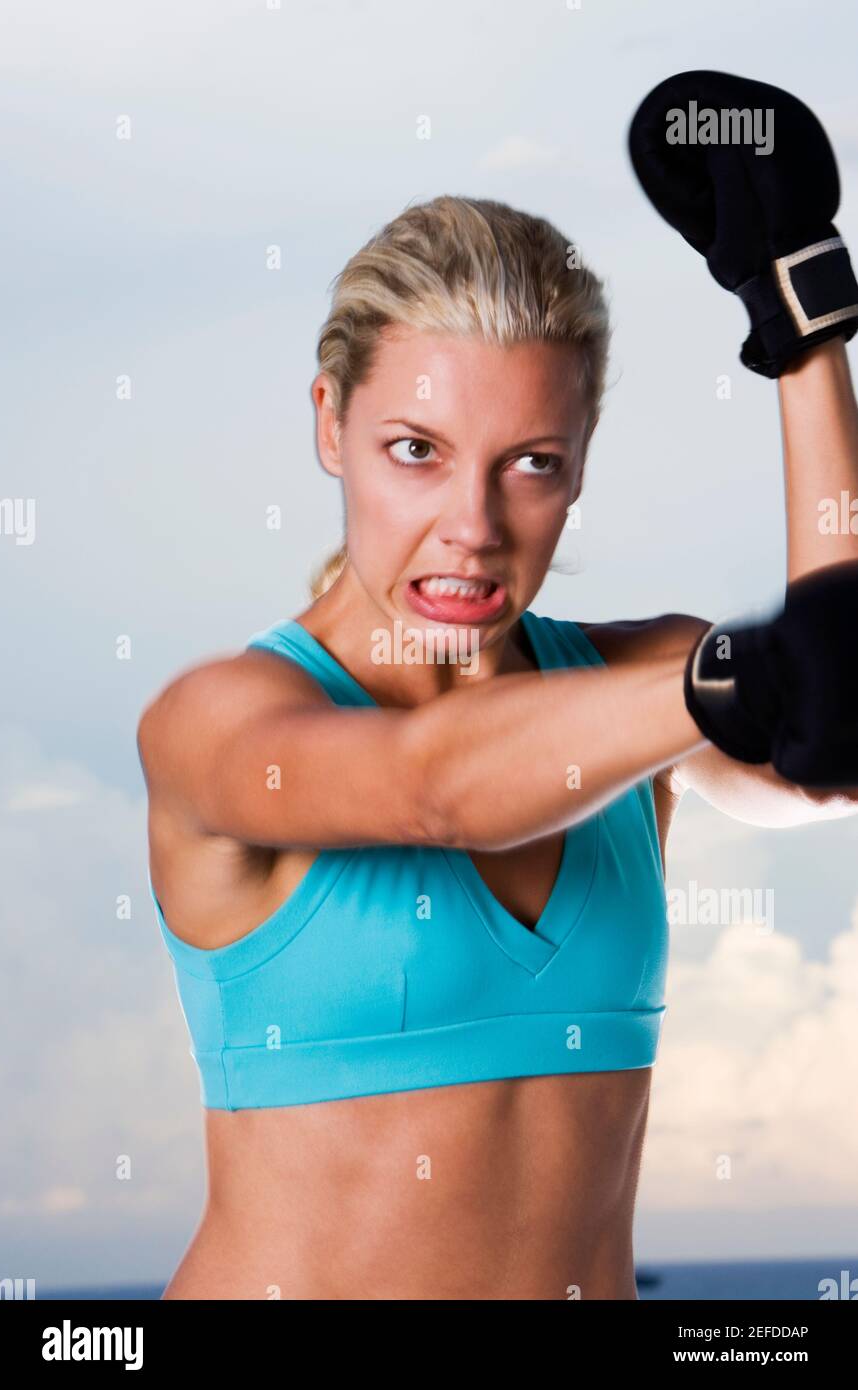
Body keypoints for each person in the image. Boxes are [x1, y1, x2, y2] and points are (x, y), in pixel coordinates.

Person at [137, 172, 858, 1299]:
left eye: (529, 463)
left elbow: (832, 749)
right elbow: (437, 790)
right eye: (413, 451)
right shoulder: (222, 725)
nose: (470, 530)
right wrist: (726, 680)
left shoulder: (634, 685)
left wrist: (802, 326)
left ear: (579, 459)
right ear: (329, 424)